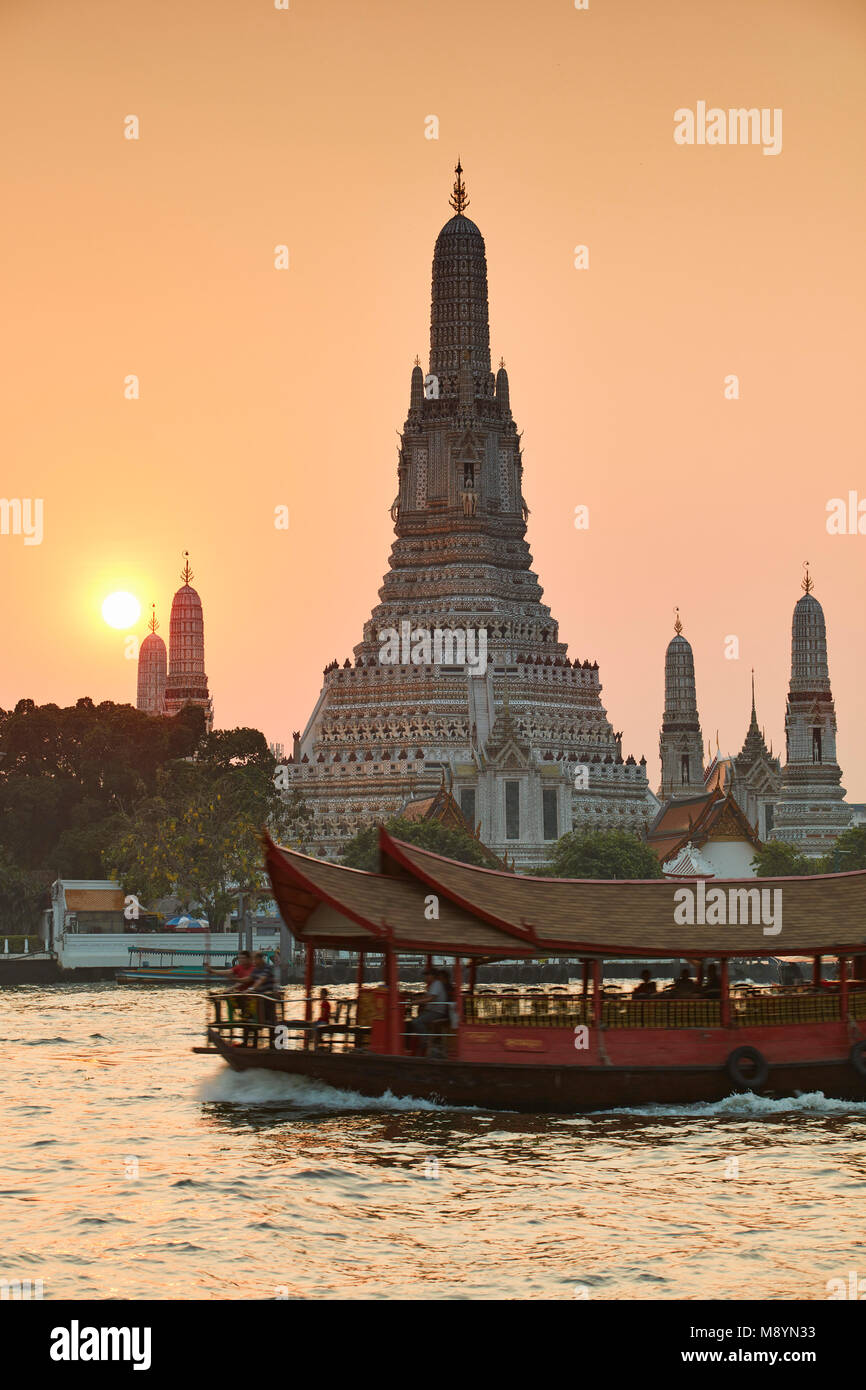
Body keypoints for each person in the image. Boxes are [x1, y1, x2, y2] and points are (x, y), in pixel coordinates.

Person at [406, 968, 450, 1053]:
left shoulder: (437, 984)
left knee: (416, 1022)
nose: (425, 977)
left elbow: (431, 999)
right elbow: (425, 997)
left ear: (432, 976)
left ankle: (426, 1041)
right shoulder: (432, 985)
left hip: (437, 1012)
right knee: (415, 1020)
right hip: (432, 1011)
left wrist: (415, 1002)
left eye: (427, 975)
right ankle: (423, 1040)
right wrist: (412, 997)